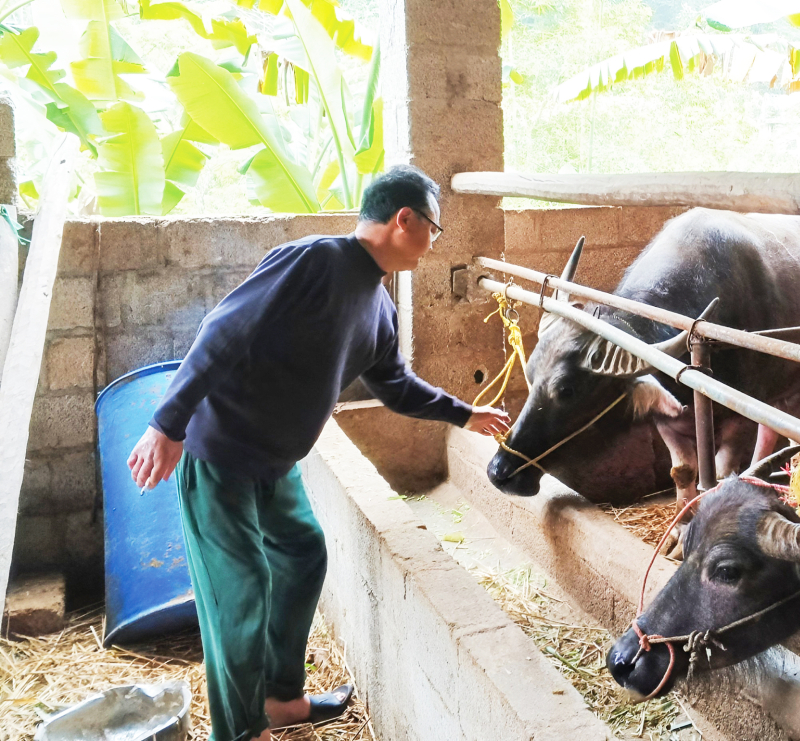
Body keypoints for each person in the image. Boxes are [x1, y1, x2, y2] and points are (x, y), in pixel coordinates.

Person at [126, 165, 511, 741]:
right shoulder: (314, 261)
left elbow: (397, 387)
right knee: (243, 592)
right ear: (403, 220)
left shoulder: (380, 307)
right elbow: (222, 330)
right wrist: (167, 423)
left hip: (275, 465)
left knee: (304, 555)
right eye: (434, 228)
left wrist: (465, 413)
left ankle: (281, 699)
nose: (435, 242)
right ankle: (240, 730)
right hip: (221, 453)